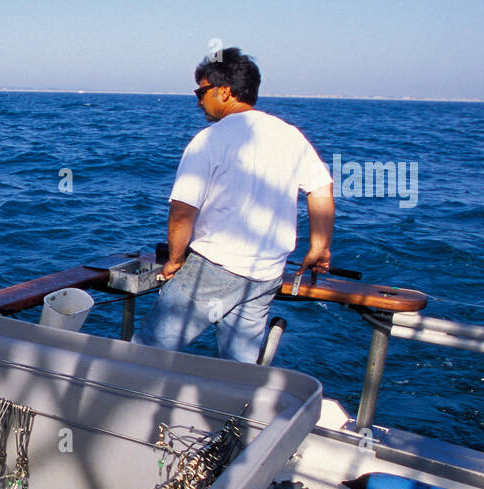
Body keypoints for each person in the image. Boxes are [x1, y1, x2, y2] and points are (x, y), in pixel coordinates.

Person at [134, 47, 335, 363]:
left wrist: (174, 260)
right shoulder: (291, 136)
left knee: (144, 354)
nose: (198, 101)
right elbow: (321, 188)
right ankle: (237, 411)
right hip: (266, 273)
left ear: (224, 92)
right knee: (239, 369)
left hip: (215, 267)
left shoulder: (209, 140)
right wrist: (320, 247)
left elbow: (182, 212)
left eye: (201, 92)